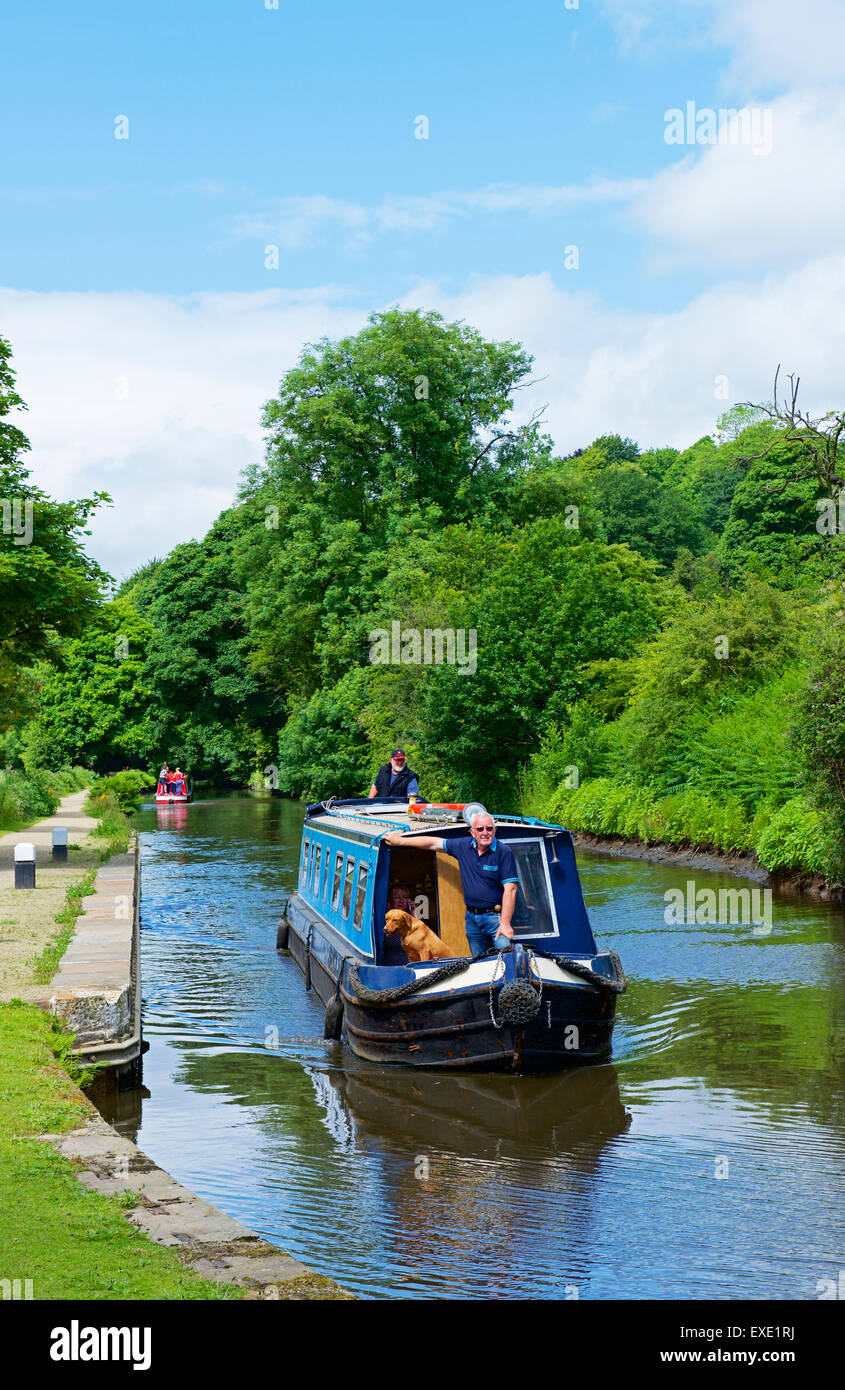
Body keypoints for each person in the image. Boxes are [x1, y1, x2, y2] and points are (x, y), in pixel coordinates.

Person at [384, 808, 519, 956]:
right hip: (472, 917)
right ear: (472, 832)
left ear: (495, 829)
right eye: (480, 829)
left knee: (506, 955)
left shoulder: (503, 852)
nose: (485, 832)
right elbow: (434, 843)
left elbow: (511, 888)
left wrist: (505, 923)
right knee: (479, 959)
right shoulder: (463, 846)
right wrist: (401, 841)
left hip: (495, 917)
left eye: (489, 828)